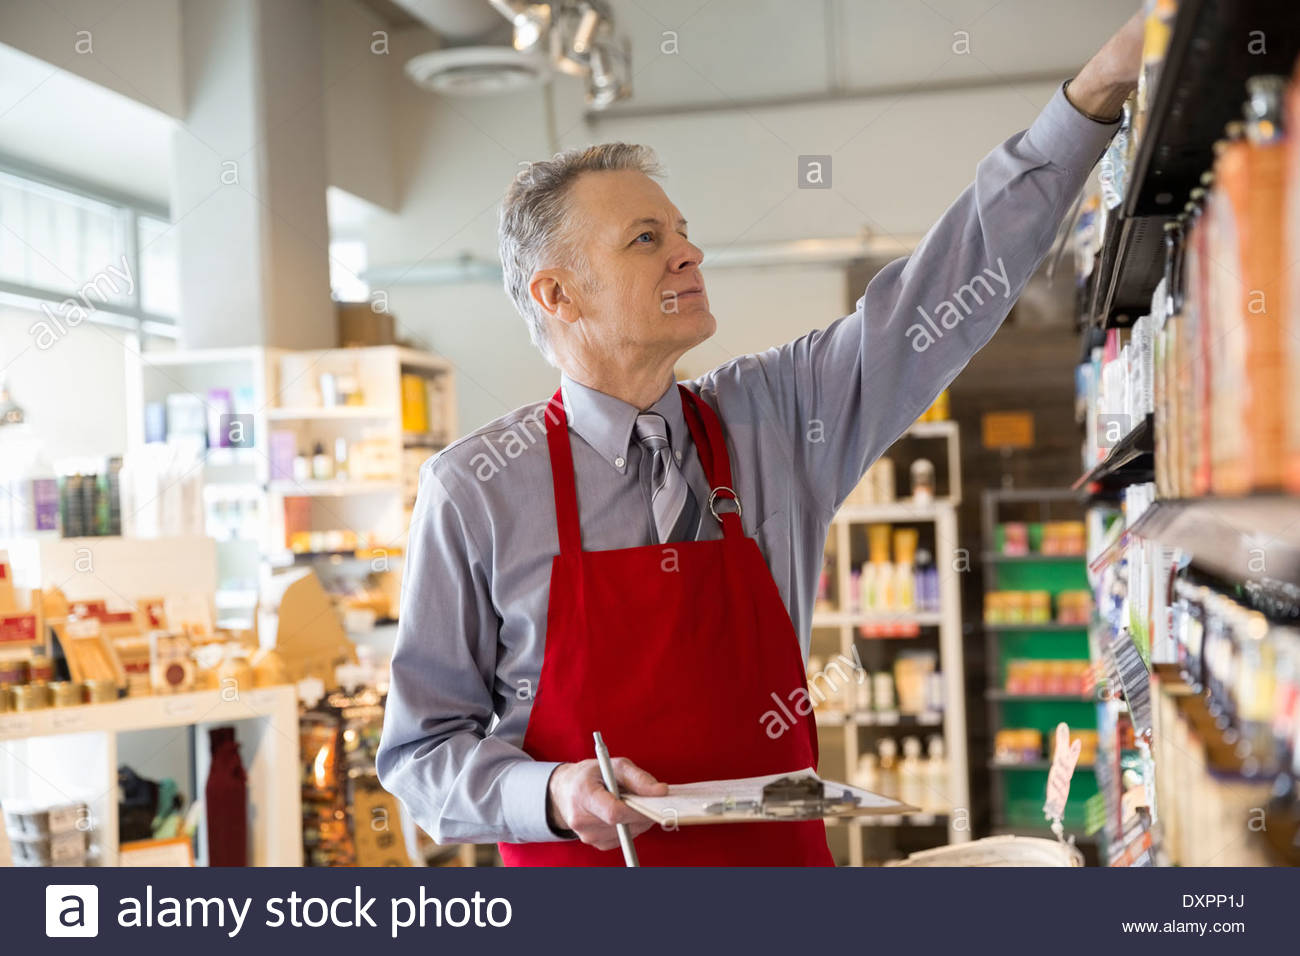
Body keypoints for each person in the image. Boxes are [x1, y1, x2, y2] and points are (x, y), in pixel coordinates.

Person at [376, 13, 1143, 866]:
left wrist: (1094, 93)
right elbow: (419, 754)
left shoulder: (774, 420)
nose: (690, 253)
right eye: (647, 240)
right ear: (557, 295)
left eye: (682, 232)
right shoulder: (476, 489)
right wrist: (552, 792)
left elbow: (944, 289)